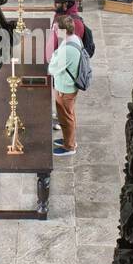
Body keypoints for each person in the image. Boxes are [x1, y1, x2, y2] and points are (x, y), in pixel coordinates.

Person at [47, 14, 83, 157]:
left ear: (63, 30)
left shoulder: (67, 48)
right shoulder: (75, 39)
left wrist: (54, 57)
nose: (55, 31)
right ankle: (70, 139)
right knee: (69, 115)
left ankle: (69, 147)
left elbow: (52, 69)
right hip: (69, 86)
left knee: (66, 118)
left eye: (56, 29)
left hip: (65, 88)